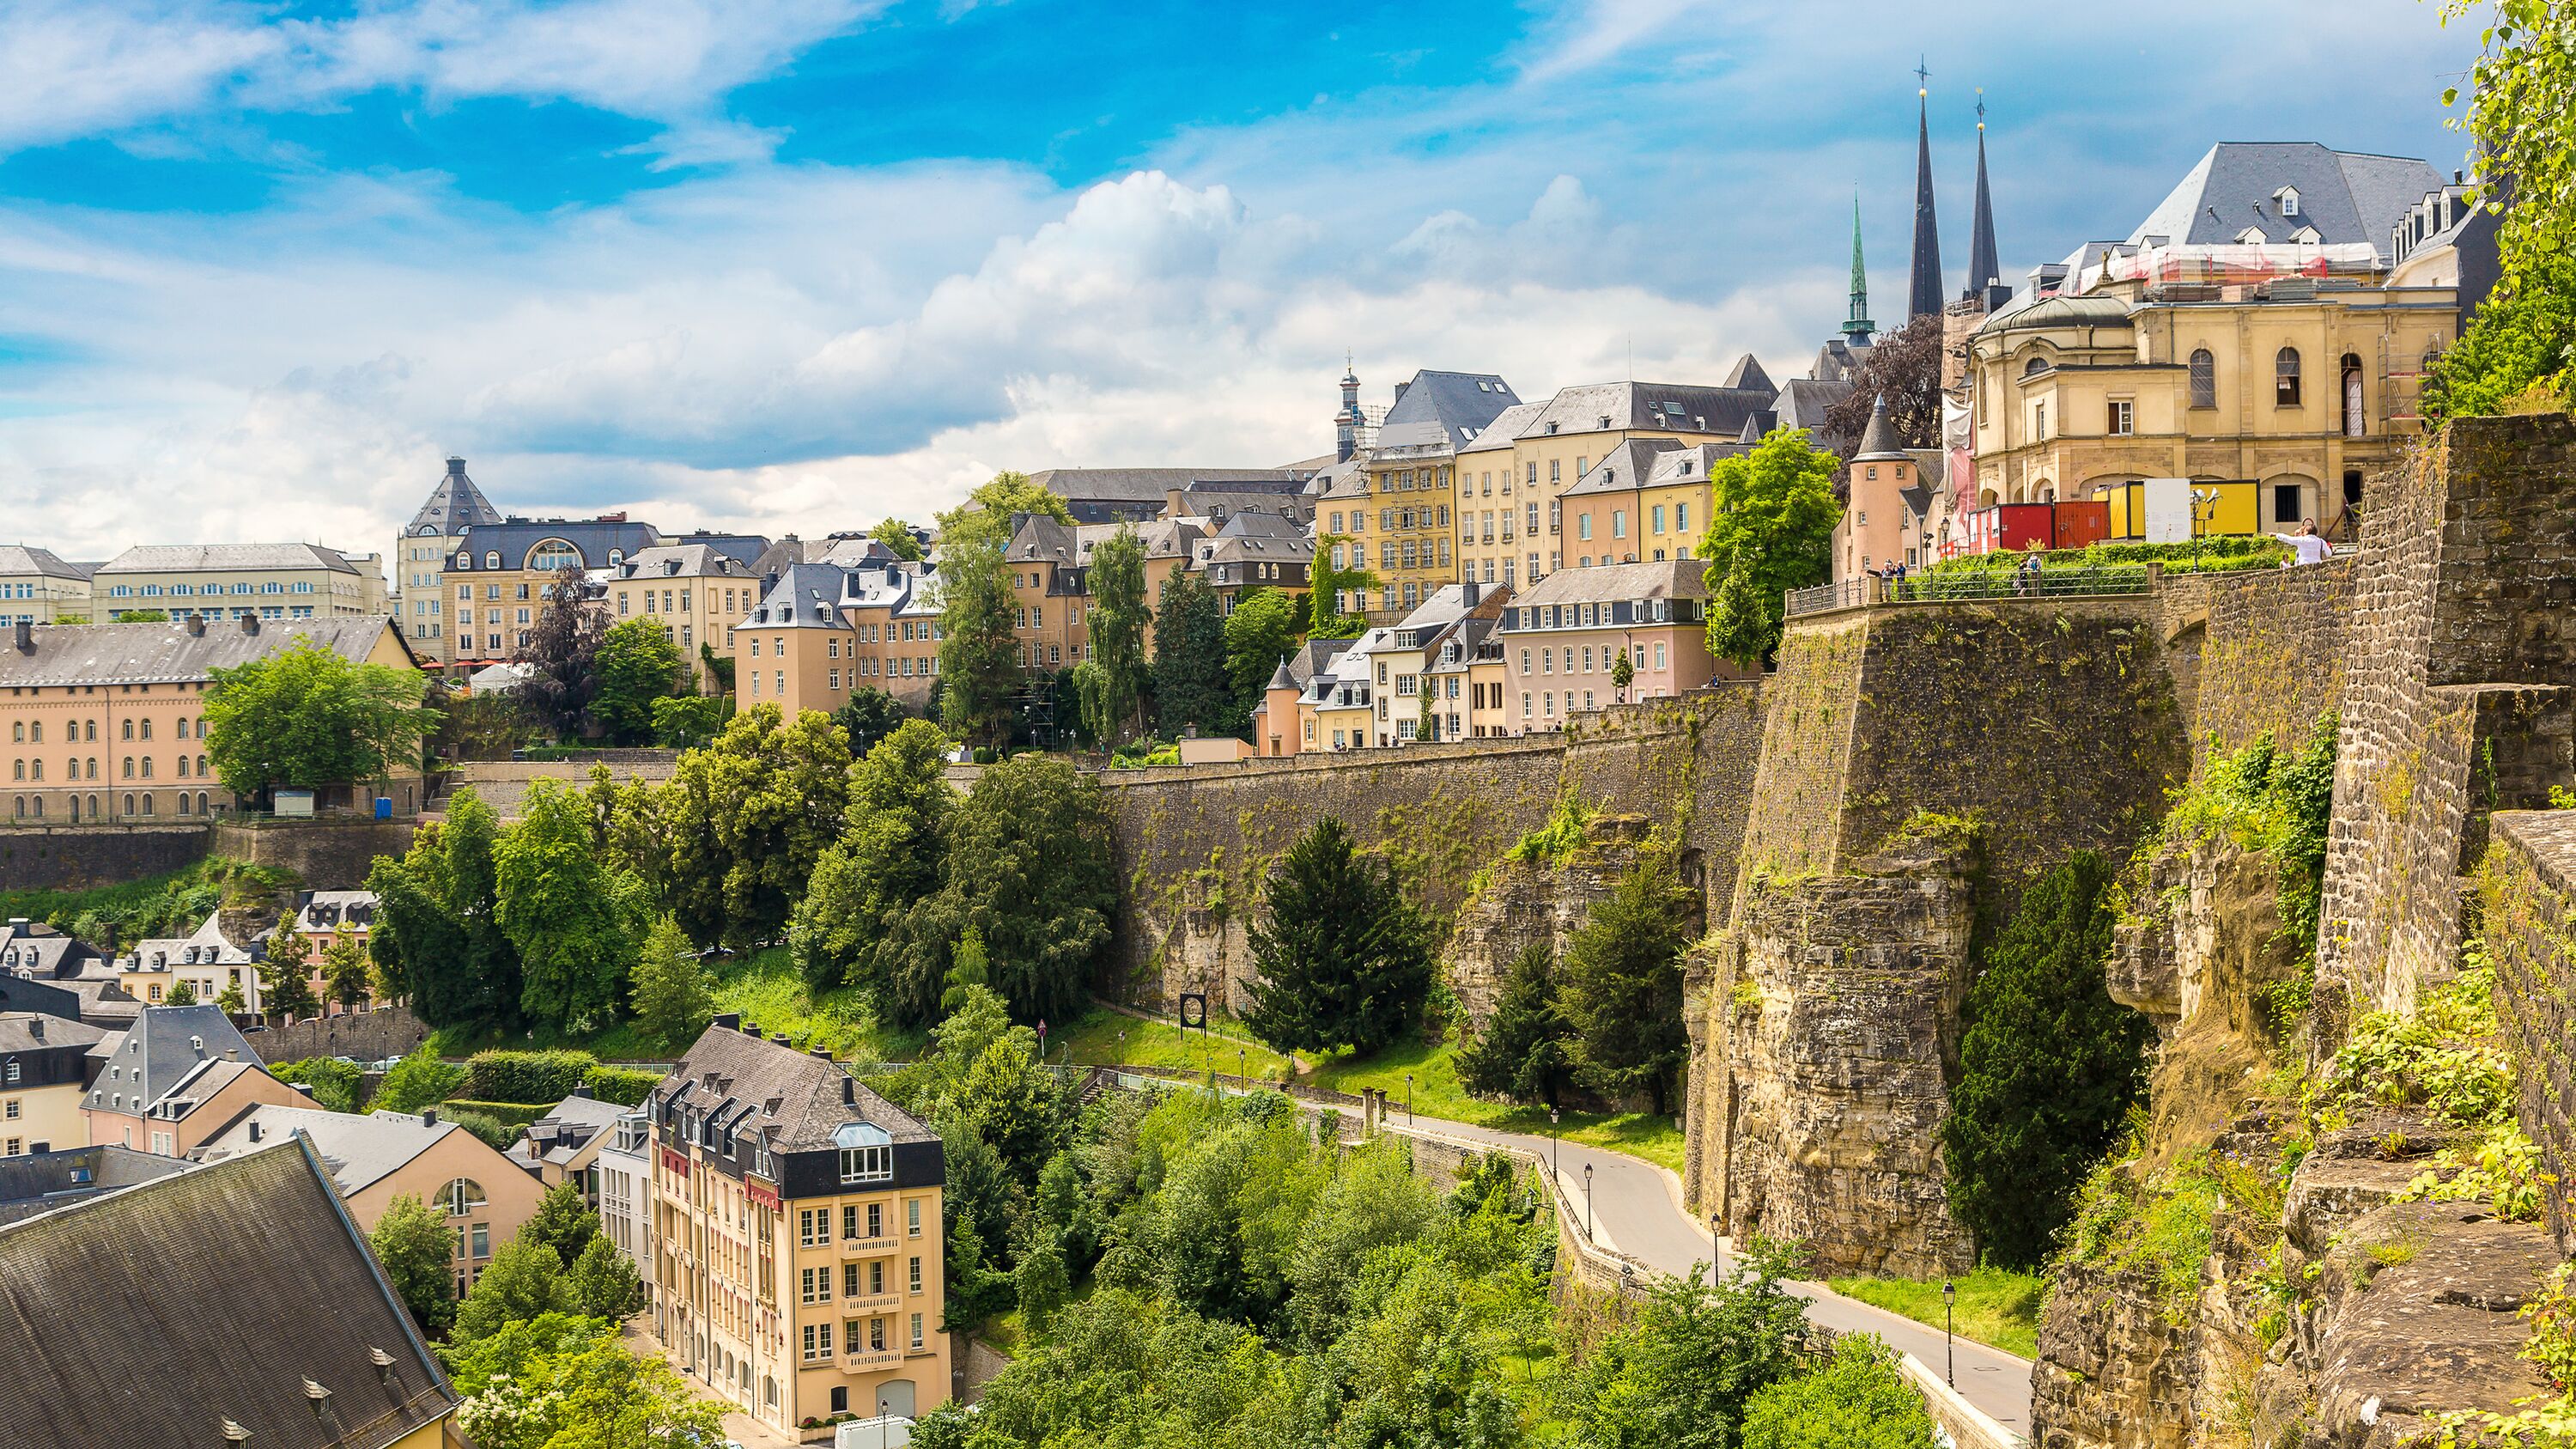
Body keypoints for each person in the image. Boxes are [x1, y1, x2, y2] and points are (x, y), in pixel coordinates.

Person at [2269, 519, 2335, 567]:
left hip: (2303, 565)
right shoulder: (2321, 542)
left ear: (2306, 532)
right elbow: (2329, 554)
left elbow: (2288, 539)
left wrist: (2276, 534)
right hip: (2317, 566)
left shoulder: (2302, 540)